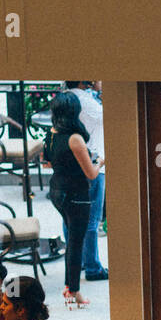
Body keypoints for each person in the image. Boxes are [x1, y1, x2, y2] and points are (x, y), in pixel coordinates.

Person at [44, 90, 101, 308]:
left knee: (72, 241)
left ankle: (69, 285)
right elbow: (91, 174)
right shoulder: (75, 139)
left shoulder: (50, 134)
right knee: (76, 243)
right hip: (77, 194)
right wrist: (101, 162)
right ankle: (74, 291)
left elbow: (47, 162)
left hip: (57, 191)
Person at [63, 81, 108, 282]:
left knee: (70, 217)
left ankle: (78, 260)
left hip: (70, 166)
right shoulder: (87, 102)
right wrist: (104, 91)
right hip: (91, 163)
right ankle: (92, 266)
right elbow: (114, 116)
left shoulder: (65, 99)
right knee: (91, 218)